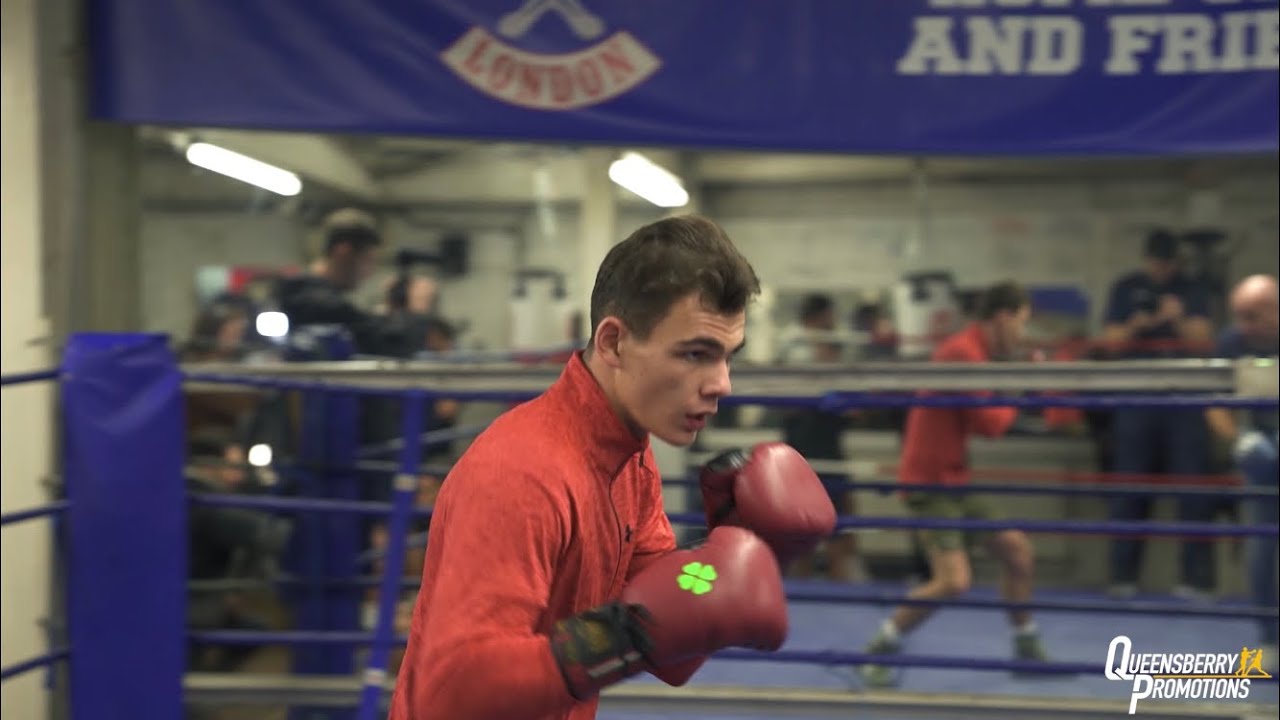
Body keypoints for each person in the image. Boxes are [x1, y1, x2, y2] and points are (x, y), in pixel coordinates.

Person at [388, 215, 838, 720]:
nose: (721, 384)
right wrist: (626, 633)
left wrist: (730, 553)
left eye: (727, 358)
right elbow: (452, 694)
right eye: (695, 354)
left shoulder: (630, 460)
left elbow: (673, 657)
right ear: (613, 343)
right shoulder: (519, 473)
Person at [859, 280, 1046, 687]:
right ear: (1002, 316)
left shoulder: (973, 352)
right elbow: (992, 425)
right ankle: (881, 646)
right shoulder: (963, 354)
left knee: (1016, 551)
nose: (1021, 333)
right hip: (930, 483)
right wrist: (1019, 386)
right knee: (953, 581)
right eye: (1021, 322)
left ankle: (1026, 645)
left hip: (955, 477)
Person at [1101, 230, 1216, 600]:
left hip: (1184, 398)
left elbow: (1204, 341)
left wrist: (1177, 318)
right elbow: (1110, 343)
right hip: (1137, 397)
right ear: (1147, 258)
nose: (1163, 268)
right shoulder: (1126, 287)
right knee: (1129, 488)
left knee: (1193, 490)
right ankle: (1122, 578)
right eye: (1157, 261)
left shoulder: (1192, 287)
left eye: (1169, 262)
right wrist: (1139, 325)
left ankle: (1196, 581)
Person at [1205, 274, 1278, 665]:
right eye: (1240, 316)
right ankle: (1270, 640)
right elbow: (1214, 403)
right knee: (1262, 544)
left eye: (1254, 315)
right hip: (1261, 447)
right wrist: (1237, 439)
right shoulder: (1234, 342)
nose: (1246, 325)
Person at [778, 293, 862, 581]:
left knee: (830, 521)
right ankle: (815, 585)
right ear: (822, 315)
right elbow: (790, 400)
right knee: (808, 523)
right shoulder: (796, 344)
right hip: (809, 441)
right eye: (830, 315)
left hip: (819, 440)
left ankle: (836, 582)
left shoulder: (821, 344)